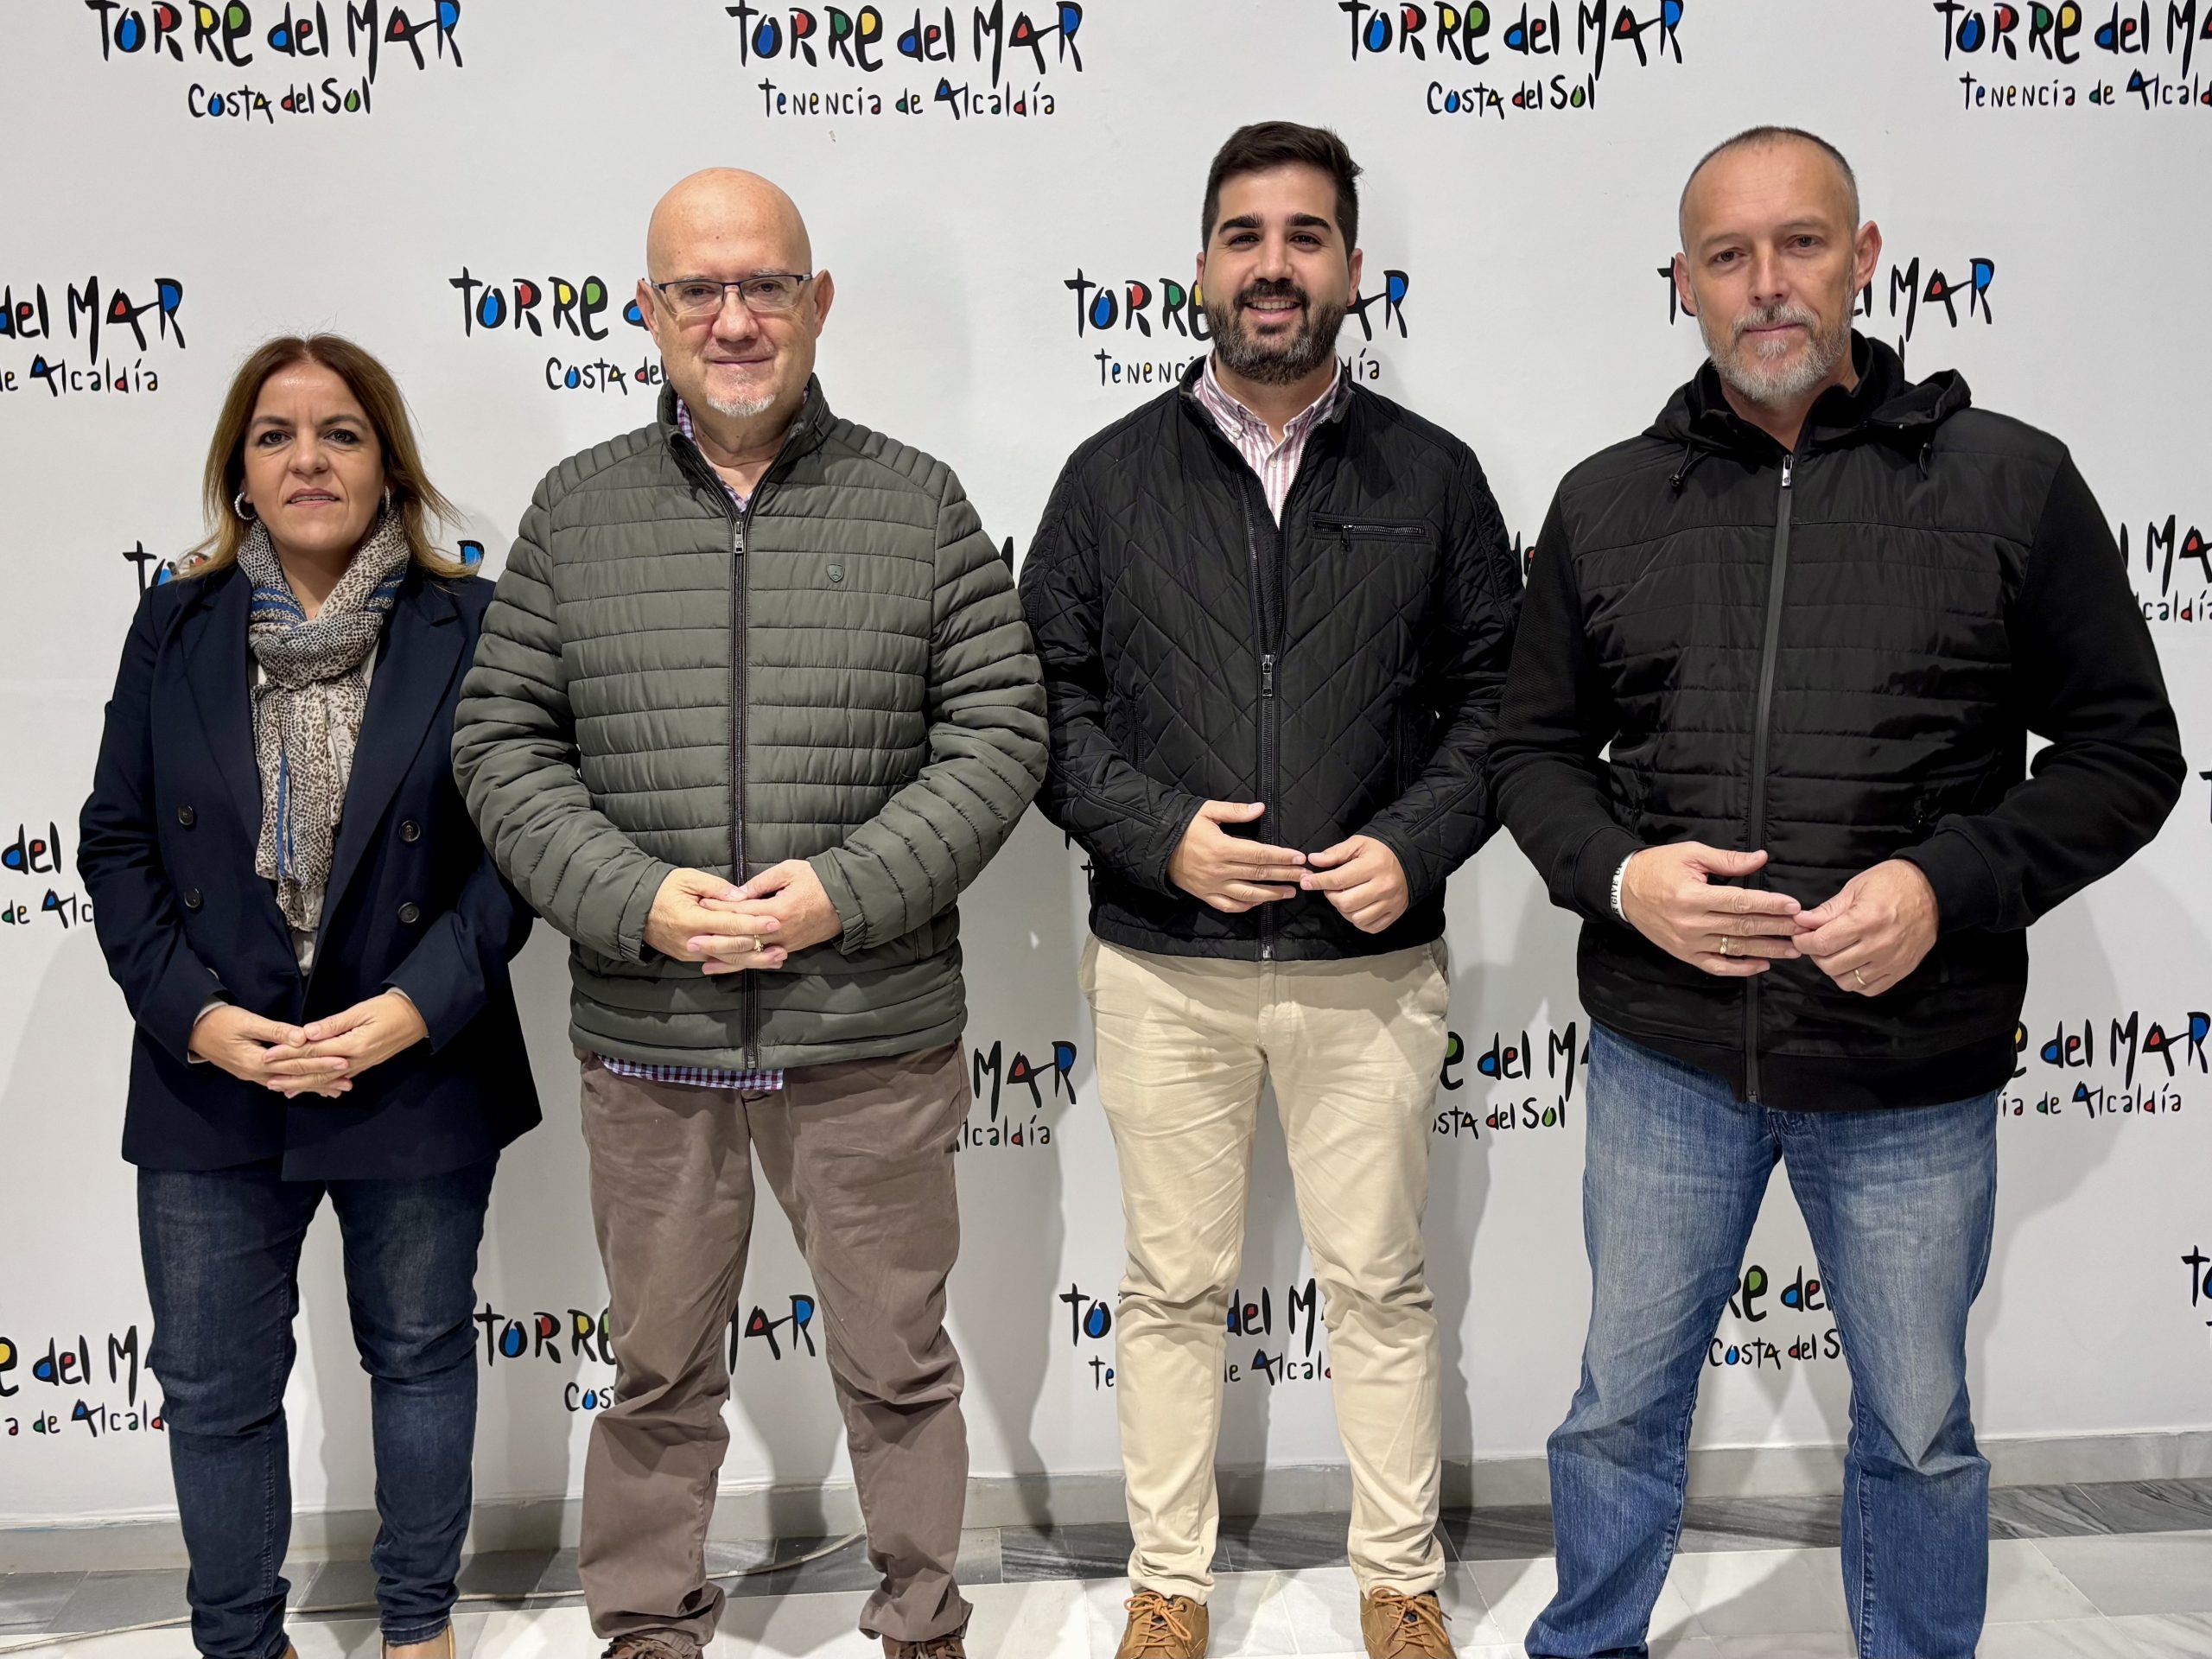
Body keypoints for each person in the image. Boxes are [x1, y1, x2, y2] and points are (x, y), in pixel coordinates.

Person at [1488, 127, 2185, 1659]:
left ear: (1866, 259)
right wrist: (1621, 877)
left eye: (1800, 244)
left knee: (1923, 1428)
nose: (1767, 284)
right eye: (1727, 257)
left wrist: (1949, 884)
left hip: (1910, 1066)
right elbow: (1529, 753)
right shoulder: (1606, 504)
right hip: (1672, 1054)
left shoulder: (2010, 480)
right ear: (1682, 286)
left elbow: (2129, 754)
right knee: (1616, 1410)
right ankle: (1588, 1641)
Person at [450, 168, 1045, 1659]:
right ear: (646, 311)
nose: (733, 318)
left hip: (873, 1027)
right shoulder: (575, 512)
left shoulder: (917, 501)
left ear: (817, 302)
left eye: (765, 285)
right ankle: (649, 1625)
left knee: (899, 1365)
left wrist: (844, 893)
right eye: (696, 290)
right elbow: (500, 744)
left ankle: (923, 1623)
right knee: (654, 1369)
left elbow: (999, 732)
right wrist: (635, 901)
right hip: (651, 1031)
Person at [1020, 122, 1522, 1659]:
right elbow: (1041, 702)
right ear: (1200, 269)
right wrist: (1155, 832)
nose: (1274, 266)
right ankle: (1168, 1588)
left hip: (1369, 964)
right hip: (1165, 960)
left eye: (1307, 237)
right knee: (1171, 1289)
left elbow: (1502, 705)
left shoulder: (1433, 478)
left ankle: (1401, 1584)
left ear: (1354, 272)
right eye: (1245, 236)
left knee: (1377, 1282)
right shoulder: (1109, 480)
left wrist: (1417, 843)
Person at [79, 335, 540, 1659]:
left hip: (413, 1056)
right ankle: (239, 1643)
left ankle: (417, 1632)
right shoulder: (174, 622)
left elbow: (518, 845)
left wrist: (413, 1010)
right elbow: (116, 842)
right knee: (216, 1389)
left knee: (418, 1355)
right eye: (275, 435)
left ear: (388, 461)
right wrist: (198, 1021)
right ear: (239, 471)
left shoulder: (475, 621)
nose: (308, 459)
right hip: (211, 1070)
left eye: (339, 432)